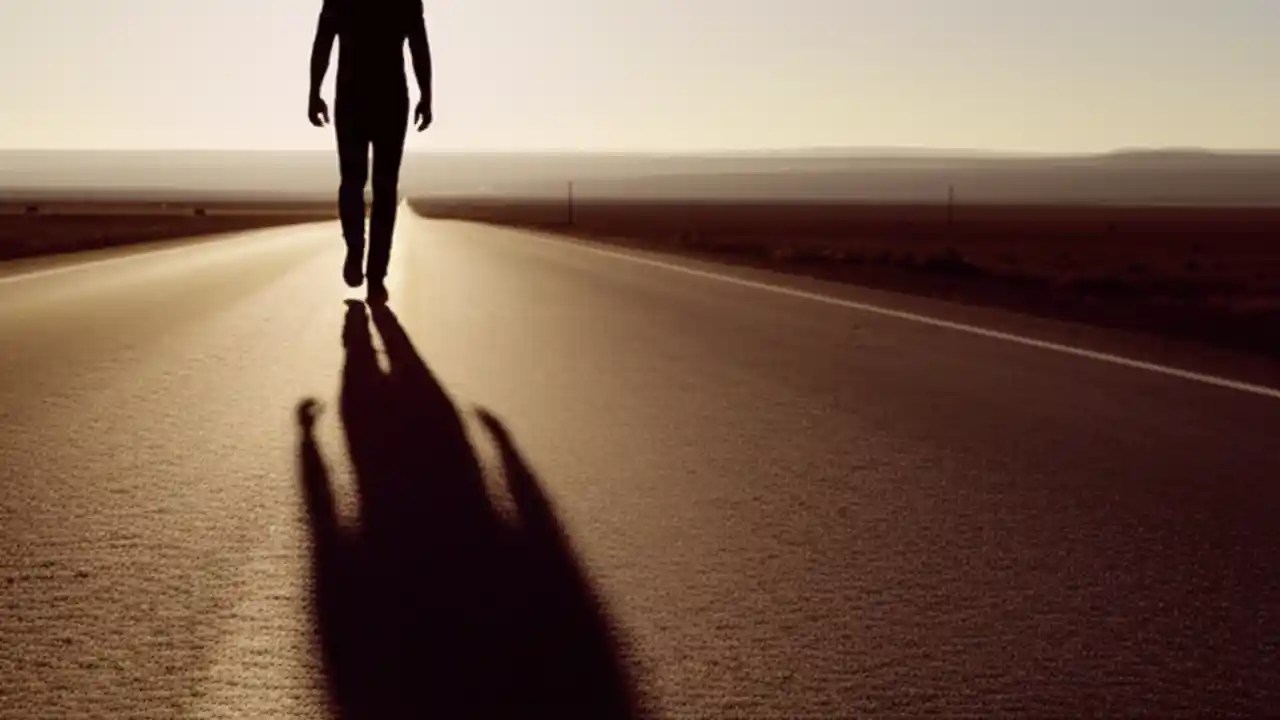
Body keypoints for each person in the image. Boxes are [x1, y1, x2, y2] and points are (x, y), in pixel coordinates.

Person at [309, 0, 433, 302]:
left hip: (357, 98)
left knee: (357, 182)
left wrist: (314, 92)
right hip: (385, 99)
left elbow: (323, 41)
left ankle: (362, 258)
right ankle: (373, 271)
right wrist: (426, 95)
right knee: (381, 186)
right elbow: (419, 46)